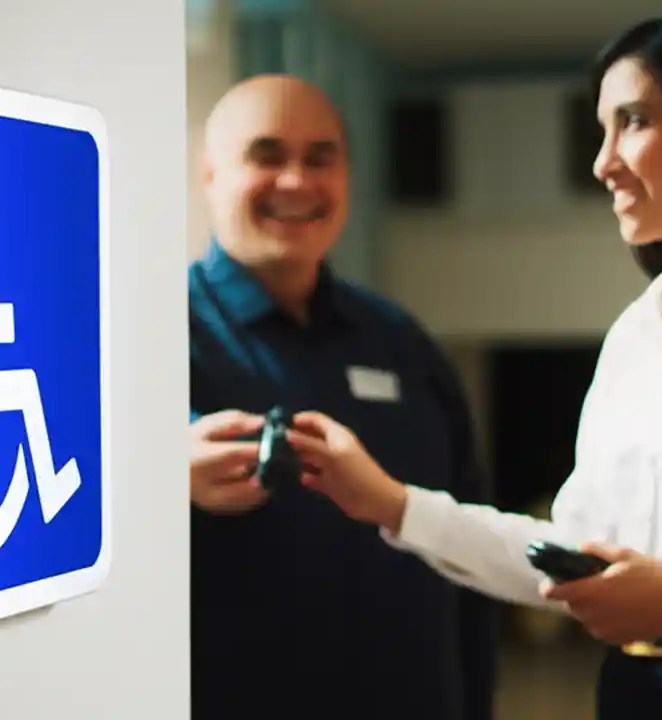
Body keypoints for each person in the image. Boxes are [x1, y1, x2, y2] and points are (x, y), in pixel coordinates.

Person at [285, 9, 662, 720]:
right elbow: (566, 553)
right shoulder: (634, 336)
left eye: (633, 120)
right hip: (631, 696)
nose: (603, 162)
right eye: (602, 129)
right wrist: (391, 502)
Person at [188, 74, 497, 720]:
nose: (297, 181)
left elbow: (468, 551)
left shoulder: (401, 343)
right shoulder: (147, 340)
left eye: (319, 158)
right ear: (210, 175)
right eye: (267, 156)